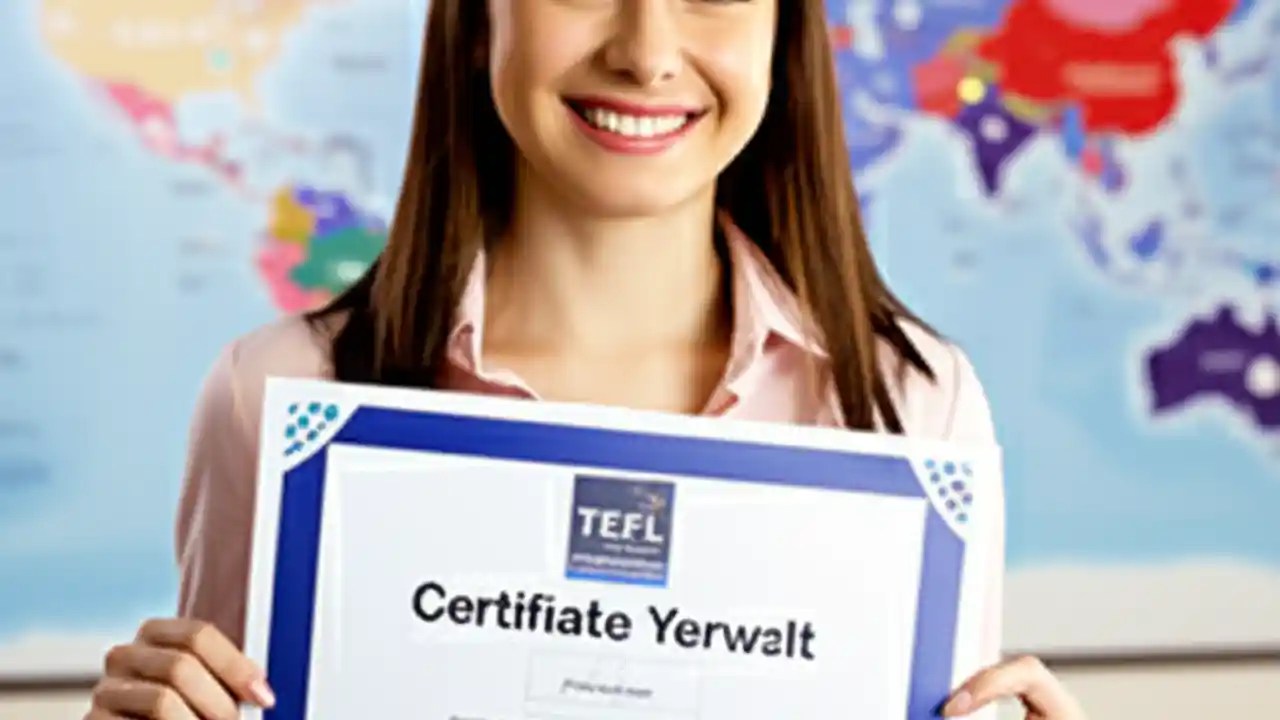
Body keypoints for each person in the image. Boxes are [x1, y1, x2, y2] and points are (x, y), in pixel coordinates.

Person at [85, 1, 1088, 718]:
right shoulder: (279, 394)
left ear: (784, 34)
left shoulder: (916, 403)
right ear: (478, 18)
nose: (646, 51)